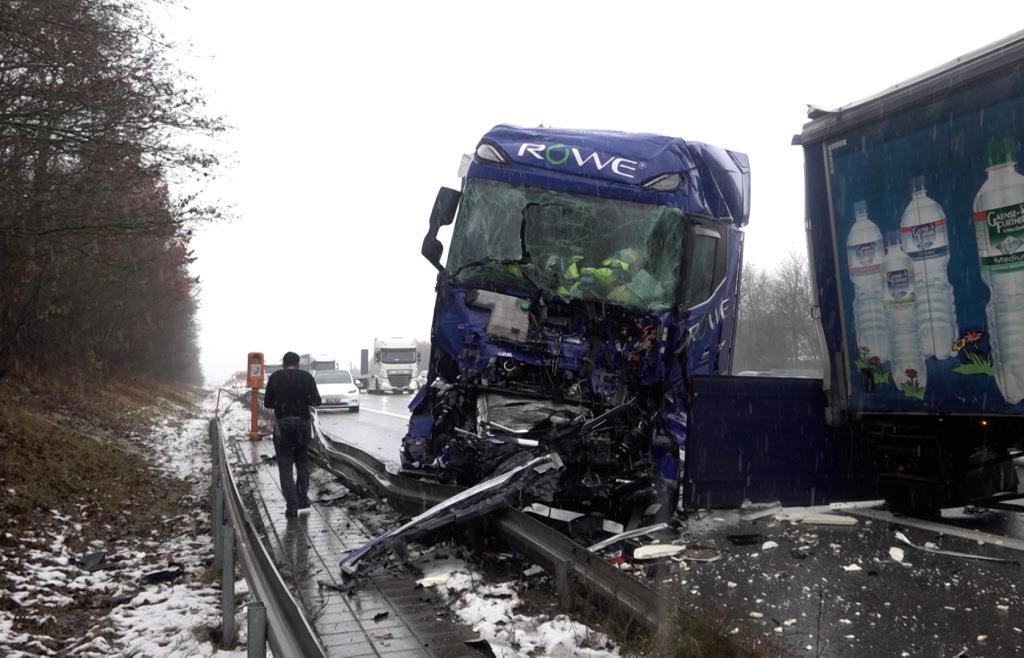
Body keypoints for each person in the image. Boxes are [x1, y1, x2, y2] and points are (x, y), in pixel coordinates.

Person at [262, 351, 321, 518]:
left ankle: (292, 505)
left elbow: (267, 402)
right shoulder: (306, 377)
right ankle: (302, 499)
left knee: (285, 465)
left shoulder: (275, 377)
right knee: (302, 462)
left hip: (283, 425)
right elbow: (317, 401)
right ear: (298, 363)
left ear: (283, 363)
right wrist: (303, 400)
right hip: (302, 424)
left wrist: (282, 402)